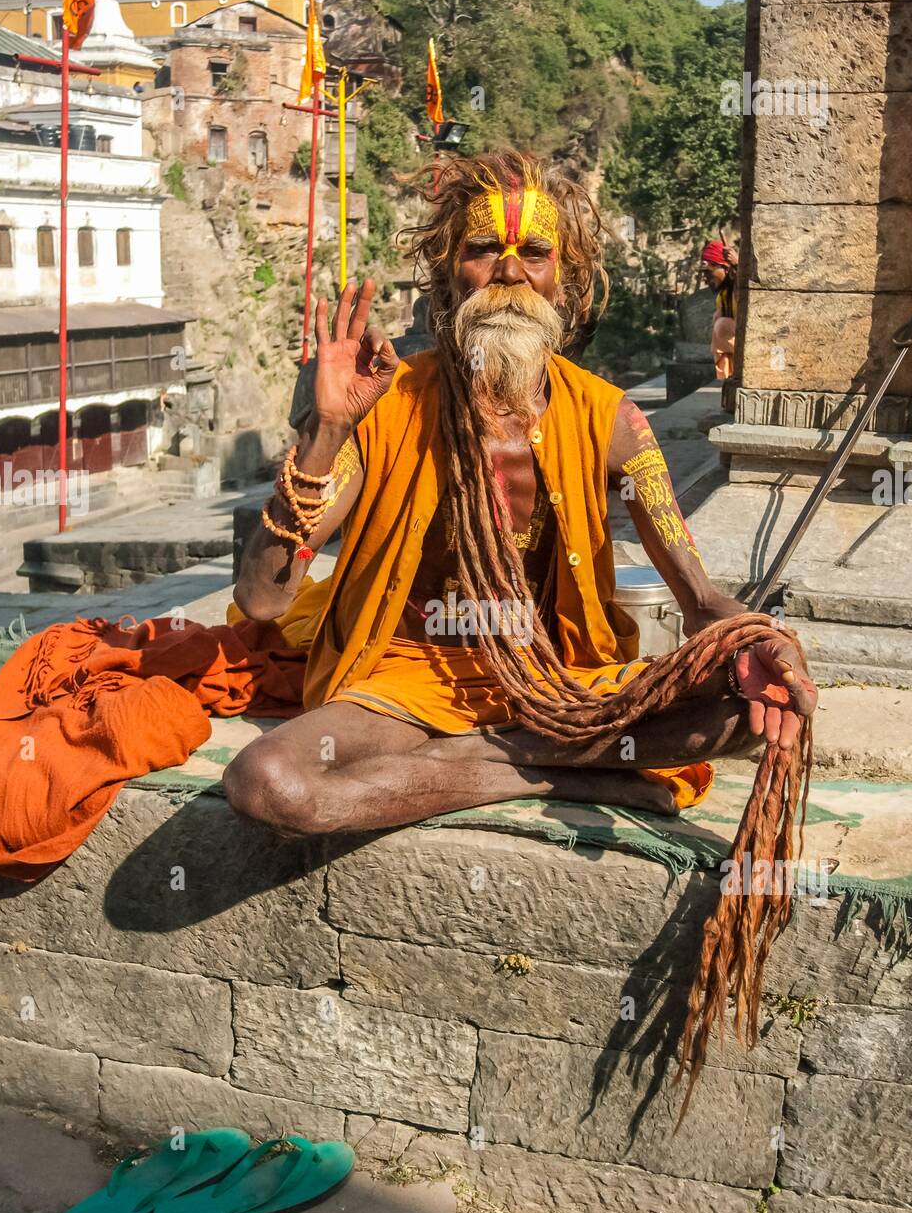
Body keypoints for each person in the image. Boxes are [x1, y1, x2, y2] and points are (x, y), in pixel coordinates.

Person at [223, 152, 815, 836]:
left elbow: (699, 600)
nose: (508, 270)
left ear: (564, 281)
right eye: (482, 250)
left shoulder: (610, 418)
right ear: (448, 277)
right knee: (269, 783)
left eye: (534, 252)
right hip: (407, 684)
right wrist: (324, 432)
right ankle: (562, 770)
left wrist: (758, 637)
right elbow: (263, 599)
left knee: (757, 706)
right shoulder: (386, 407)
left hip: (556, 683)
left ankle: (490, 757)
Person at [699, 237, 739, 381]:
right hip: (736, 358)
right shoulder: (722, 296)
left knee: (722, 324)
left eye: (709, 273)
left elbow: (752, 285)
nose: (706, 279)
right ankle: (728, 375)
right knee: (719, 318)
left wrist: (738, 264)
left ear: (725, 267)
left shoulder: (738, 287)